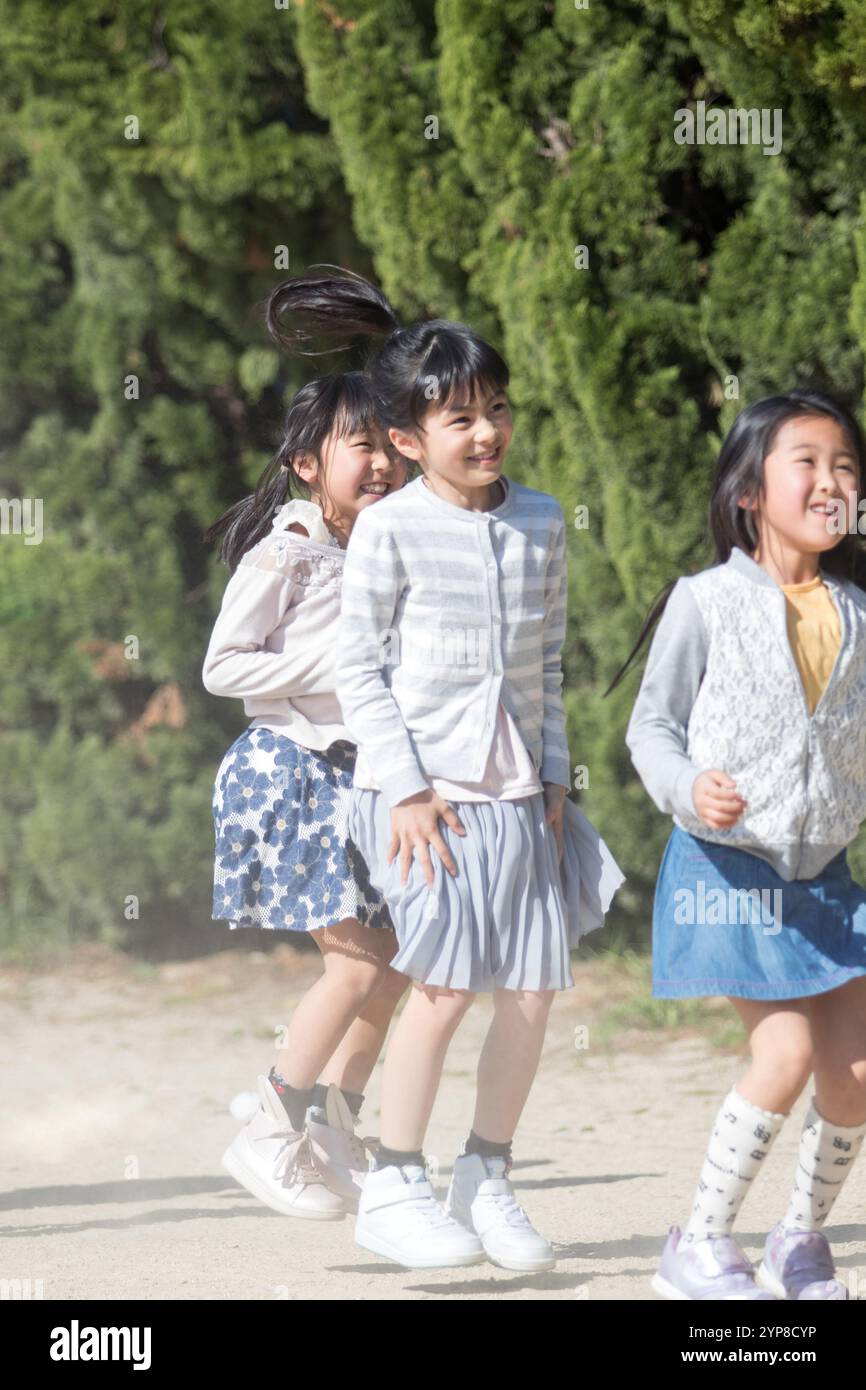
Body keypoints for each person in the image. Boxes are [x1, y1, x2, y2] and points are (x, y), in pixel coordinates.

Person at [264, 267, 625, 1270]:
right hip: (424, 800)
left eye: (496, 408)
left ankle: (486, 1176)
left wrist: (553, 776)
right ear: (409, 439)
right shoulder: (389, 526)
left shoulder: (541, 519)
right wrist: (408, 789)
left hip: (520, 796)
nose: (485, 431)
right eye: (459, 417)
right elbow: (360, 667)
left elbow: (547, 661)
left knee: (532, 993)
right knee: (444, 987)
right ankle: (391, 1183)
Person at [613, 388, 866, 1300]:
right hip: (726, 868)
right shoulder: (705, 601)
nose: (832, 482)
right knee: (785, 1056)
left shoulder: (858, 612)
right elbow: (651, 729)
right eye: (809, 463)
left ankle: (798, 1242)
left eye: (847, 467)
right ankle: (699, 1244)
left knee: (856, 1074)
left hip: (823, 874)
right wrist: (689, 787)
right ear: (750, 491)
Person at [202, 361, 410, 1221]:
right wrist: (338, 663)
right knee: (356, 964)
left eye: (392, 444)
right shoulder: (288, 551)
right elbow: (222, 667)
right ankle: (269, 1123)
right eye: (360, 445)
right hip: (289, 770)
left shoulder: (384, 551)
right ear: (305, 464)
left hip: (362, 777)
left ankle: (333, 1127)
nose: (382, 463)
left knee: (397, 962)